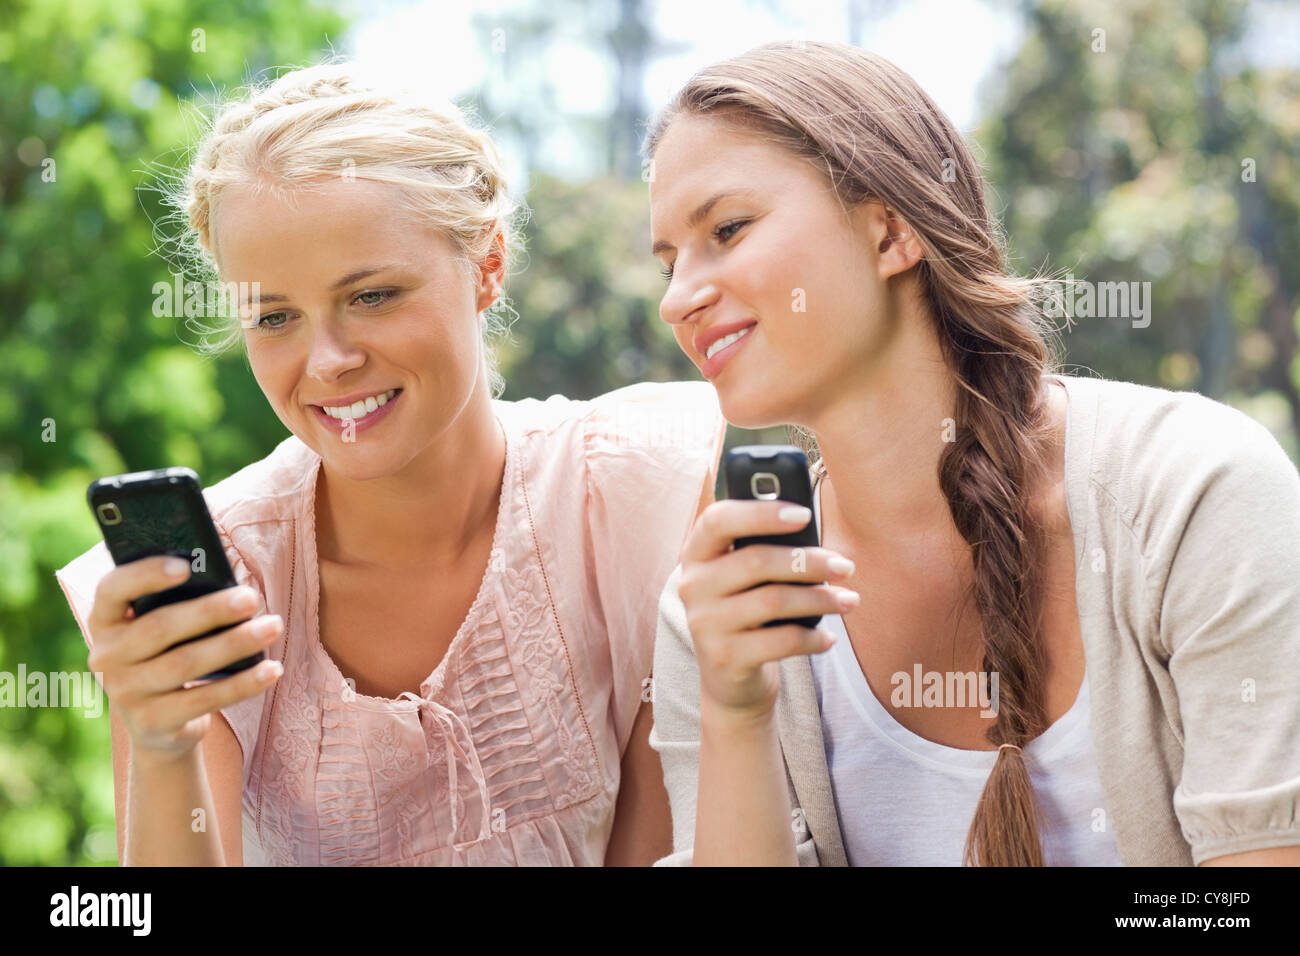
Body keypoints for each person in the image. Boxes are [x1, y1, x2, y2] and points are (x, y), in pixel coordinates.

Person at [643, 40, 1300, 866]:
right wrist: (734, 711)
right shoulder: (729, 602)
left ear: (890, 233)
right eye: (668, 265)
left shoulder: (1194, 494)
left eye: (727, 229)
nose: (677, 300)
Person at [55, 62, 726, 866]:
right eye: (275, 317)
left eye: (371, 296)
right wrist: (159, 745)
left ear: (487, 266)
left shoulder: (633, 496)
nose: (328, 361)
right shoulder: (225, 574)